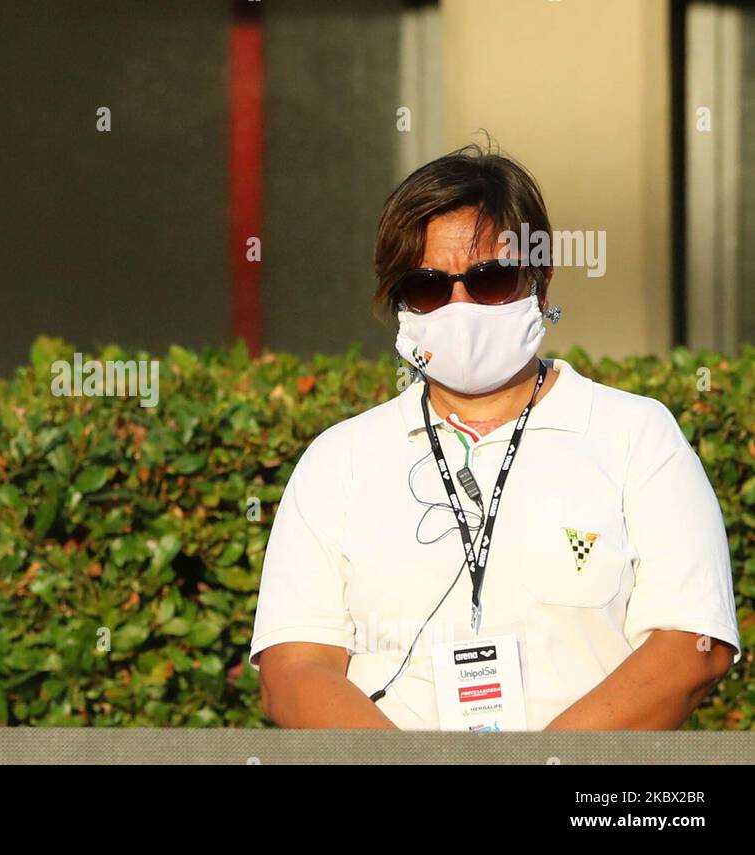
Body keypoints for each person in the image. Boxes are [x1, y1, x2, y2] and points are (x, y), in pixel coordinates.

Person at [251, 145, 740, 730]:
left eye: (491, 279)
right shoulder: (341, 460)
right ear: (400, 303)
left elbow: (692, 647)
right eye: (429, 286)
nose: (460, 306)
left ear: (540, 281)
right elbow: (294, 668)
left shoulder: (637, 435)